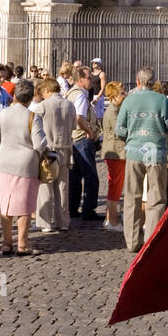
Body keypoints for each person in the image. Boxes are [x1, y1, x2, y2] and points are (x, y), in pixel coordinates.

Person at [116, 67, 168, 252]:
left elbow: (120, 129)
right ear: (154, 82)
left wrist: (131, 136)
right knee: (157, 197)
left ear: (137, 81)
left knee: (132, 196)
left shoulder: (129, 100)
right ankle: (151, 239)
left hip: (134, 152)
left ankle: (132, 240)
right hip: (156, 154)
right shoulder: (162, 100)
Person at [0, 77, 46, 255]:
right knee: (24, 205)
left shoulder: (3, 114)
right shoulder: (32, 116)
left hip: (4, 161)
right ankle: (22, 244)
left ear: (15, 96)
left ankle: (6, 242)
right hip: (25, 164)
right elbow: (40, 144)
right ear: (31, 97)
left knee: (6, 204)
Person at [36, 77, 75, 233]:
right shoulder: (70, 105)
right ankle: (63, 221)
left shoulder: (43, 106)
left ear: (46, 90)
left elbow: (35, 127)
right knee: (62, 187)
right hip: (65, 149)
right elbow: (73, 125)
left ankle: (46, 222)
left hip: (48, 151)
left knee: (46, 186)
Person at [67, 65, 102, 222]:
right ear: (80, 79)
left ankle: (72, 208)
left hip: (74, 138)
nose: (91, 80)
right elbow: (79, 117)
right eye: (88, 78)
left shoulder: (71, 93)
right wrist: (90, 131)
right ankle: (89, 209)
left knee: (75, 176)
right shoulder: (80, 95)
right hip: (82, 138)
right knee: (90, 175)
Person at [101, 81, 128, 230]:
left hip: (115, 151)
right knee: (115, 187)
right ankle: (113, 221)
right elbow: (120, 131)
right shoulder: (113, 111)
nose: (124, 95)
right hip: (116, 152)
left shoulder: (115, 109)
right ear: (113, 97)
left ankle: (109, 218)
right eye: (121, 93)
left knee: (115, 185)